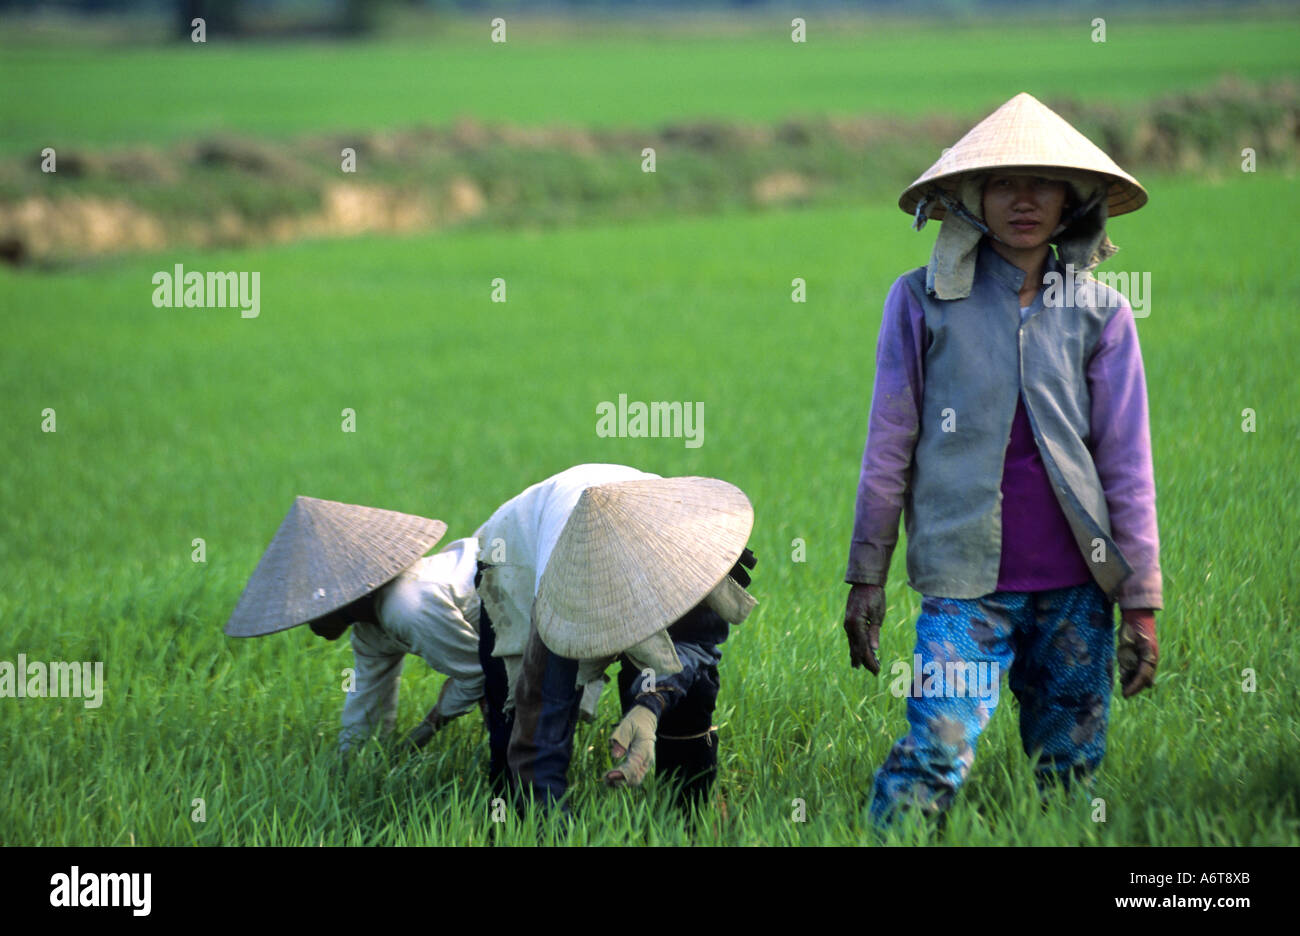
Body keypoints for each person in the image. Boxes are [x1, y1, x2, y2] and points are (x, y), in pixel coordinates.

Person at [841, 92, 1162, 829]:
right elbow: (888, 445)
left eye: (1044, 184)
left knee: (1072, 769)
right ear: (971, 198)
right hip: (963, 588)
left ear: (1073, 200)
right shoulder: (920, 301)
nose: (1025, 200)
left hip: (1077, 589)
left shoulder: (1101, 313)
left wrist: (1141, 603)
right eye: (1005, 183)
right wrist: (867, 576)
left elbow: (1126, 464)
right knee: (936, 748)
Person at [504, 473, 758, 814]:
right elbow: (545, 713)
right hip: (522, 548)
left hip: (635, 522)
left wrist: (648, 707)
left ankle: (685, 816)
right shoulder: (562, 595)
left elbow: (696, 650)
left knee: (693, 688)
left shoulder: (688, 554)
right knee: (526, 721)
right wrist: (550, 827)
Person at [223, 497, 486, 755]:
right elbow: (366, 699)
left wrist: (425, 731)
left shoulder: (407, 606)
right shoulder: (369, 633)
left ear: (342, 599)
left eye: (315, 612)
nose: (312, 626)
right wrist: (350, 763)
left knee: (505, 704)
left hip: (518, 592)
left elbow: (478, 673)